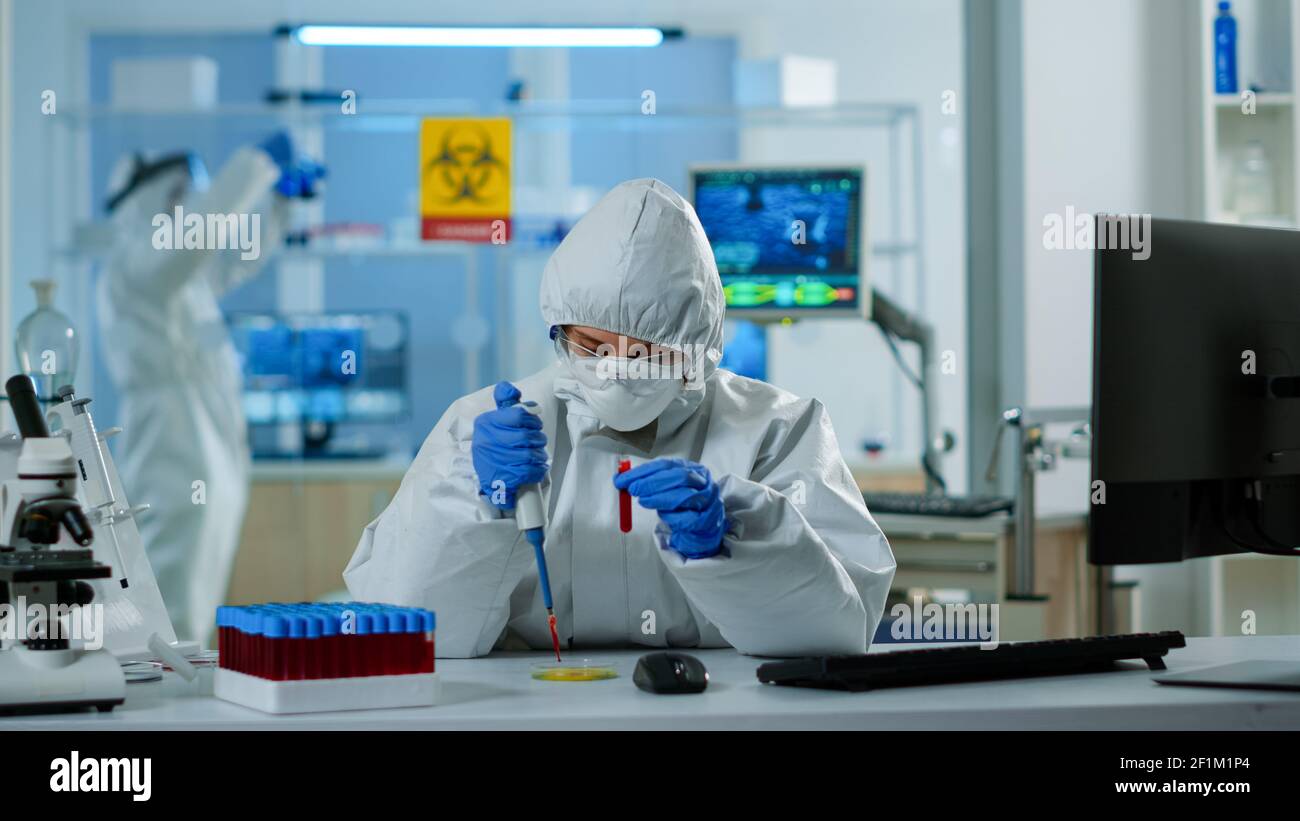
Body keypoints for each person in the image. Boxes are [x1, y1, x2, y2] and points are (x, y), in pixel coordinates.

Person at [344, 178, 895, 658]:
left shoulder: (778, 430)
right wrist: (471, 504)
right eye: (593, 344)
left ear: (697, 348)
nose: (616, 371)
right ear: (559, 329)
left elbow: (842, 628)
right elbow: (403, 631)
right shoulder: (484, 426)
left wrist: (737, 540)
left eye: (645, 351)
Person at [99, 134, 319, 644]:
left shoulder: (180, 275)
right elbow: (191, 238)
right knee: (177, 572)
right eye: (181, 195)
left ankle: (183, 681)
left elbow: (237, 256)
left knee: (204, 571)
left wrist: (279, 201)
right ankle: (162, 688)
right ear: (150, 197)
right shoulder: (137, 258)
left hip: (205, 425)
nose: (190, 207)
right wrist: (256, 164)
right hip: (174, 432)